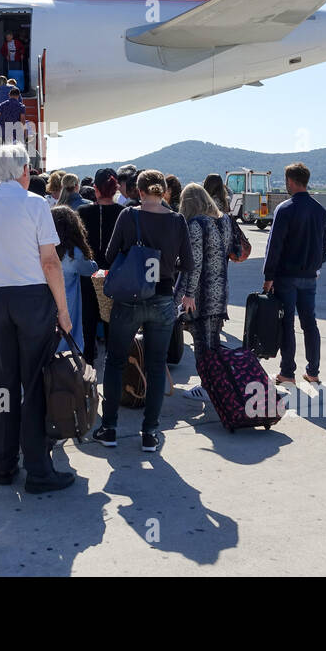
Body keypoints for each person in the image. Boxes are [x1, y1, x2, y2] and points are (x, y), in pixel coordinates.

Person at [0, 143, 76, 493]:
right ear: (25, 170)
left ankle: (4, 463)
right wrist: (64, 310)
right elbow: (50, 262)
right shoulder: (35, 204)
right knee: (35, 382)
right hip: (32, 299)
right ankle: (38, 468)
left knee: (6, 382)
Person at [95, 170, 194, 453]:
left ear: (138, 191)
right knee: (155, 366)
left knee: (114, 362)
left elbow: (110, 255)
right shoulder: (177, 220)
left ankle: (110, 427)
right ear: (164, 191)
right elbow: (187, 262)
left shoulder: (129, 216)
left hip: (129, 299)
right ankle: (150, 432)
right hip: (162, 298)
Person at [261, 162, 326, 386]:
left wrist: (268, 276)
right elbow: (325, 245)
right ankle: (313, 371)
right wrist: (316, 266)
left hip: (286, 277)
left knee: (287, 324)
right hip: (310, 277)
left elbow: (275, 246)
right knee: (310, 323)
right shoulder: (321, 211)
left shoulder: (285, 208)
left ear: (290, 181)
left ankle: (287, 372)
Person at [178, 183, 250, 356]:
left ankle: (207, 381)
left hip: (201, 295)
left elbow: (195, 263)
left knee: (201, 344)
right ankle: (214, 381)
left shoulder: (196, 224)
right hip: (220, 293)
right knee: (213, 344)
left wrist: (188, 293)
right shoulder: (224, 220)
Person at [77, 168, 122, 364]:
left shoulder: (82, 212)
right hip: (114, 275)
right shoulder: (124, 213)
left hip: (89, 274)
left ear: (95, 188)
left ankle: (87, 372)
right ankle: (114, 373)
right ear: (115, 189)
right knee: (113, 326)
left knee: (88, 325)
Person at [52, 206, 98, 356]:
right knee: (66, 346)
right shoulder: (73, 253)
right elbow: (91, 269)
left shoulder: (42, 249)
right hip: (68, 303)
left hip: (44, 302)